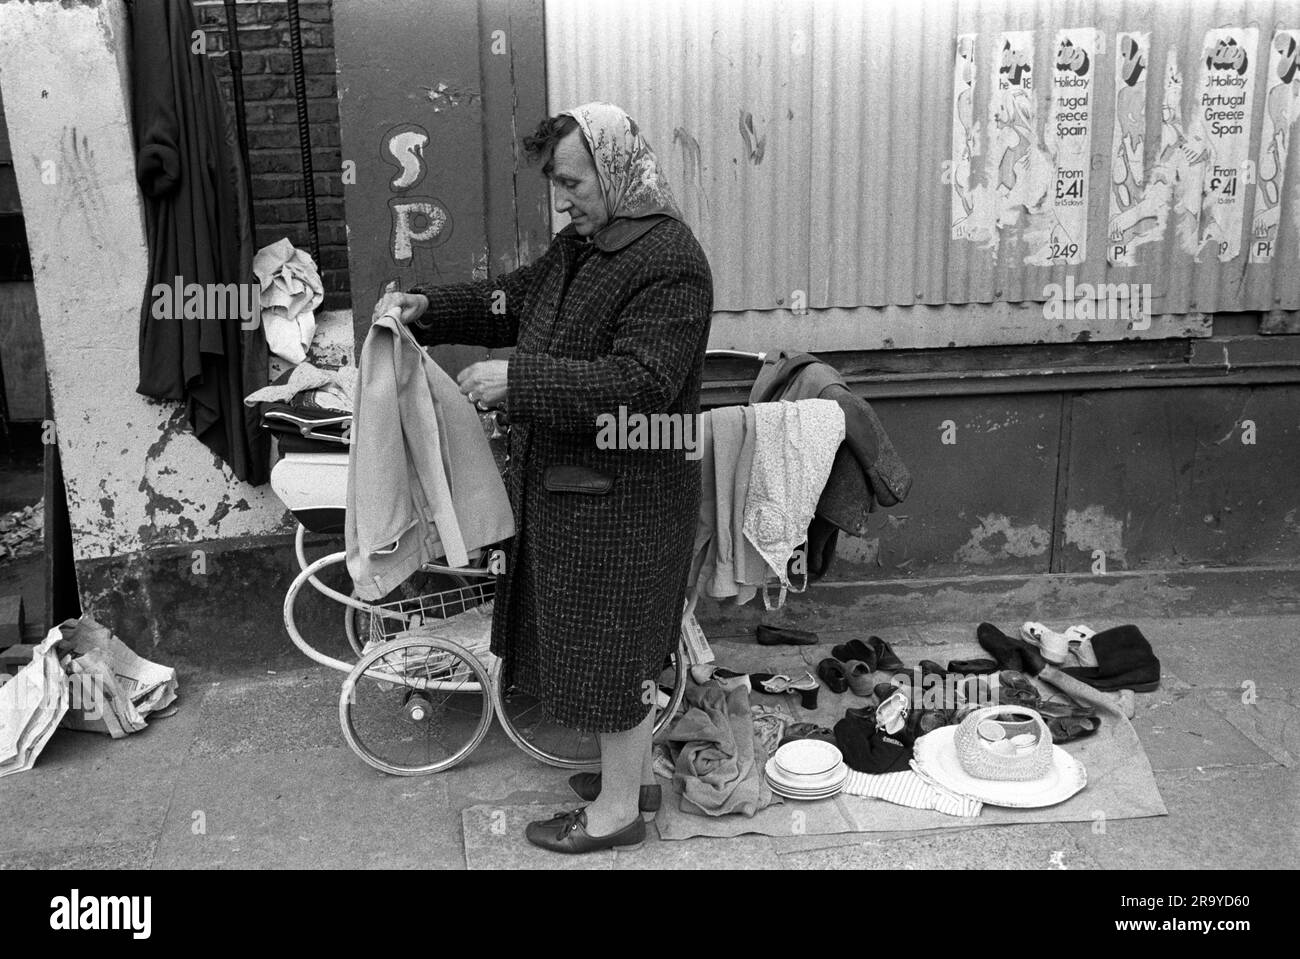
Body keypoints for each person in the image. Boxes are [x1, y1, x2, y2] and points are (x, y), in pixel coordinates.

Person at [371, 101, 713, 853]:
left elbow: (643, 382)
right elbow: (515, 299)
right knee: (596, 646)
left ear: (616, 169)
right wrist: (432, 309)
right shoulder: (585, 246)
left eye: (573, 182)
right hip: (573, 489)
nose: (563, 199)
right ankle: (632, 776)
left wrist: (520, 382)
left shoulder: (671, 263)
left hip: (626, 499)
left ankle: (617, 813)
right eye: (557, 184)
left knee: (612, 650)